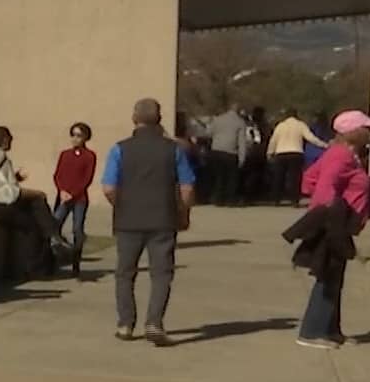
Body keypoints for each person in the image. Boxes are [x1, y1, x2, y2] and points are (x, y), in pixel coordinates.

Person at [103, 98, 196, 346]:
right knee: (161, 273)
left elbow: (109, 187)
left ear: (134, 118)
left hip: (128, 220)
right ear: (160, 119)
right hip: (163, 219)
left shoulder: (119, 149)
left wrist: (121, 204)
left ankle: (125, 323)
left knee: (124, 273)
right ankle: (154, 321)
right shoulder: (174, 149)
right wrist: (183, 213)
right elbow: (187, 187)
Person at [287, 110, 370, 349]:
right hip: (333, 224)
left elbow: (309, 178)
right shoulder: (340, 156)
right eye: (365, 128)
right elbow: (325, 187)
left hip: (342, 224)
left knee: (335, 277)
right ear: (352, 132)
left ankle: (331, 330)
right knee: (327, 276)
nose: (369, 132)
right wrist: (329, 213)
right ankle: (312, 330)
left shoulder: (346, 154)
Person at [0, 126, 71, 277]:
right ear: (5, 139)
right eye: (10, 139)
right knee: (32, 222)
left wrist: (16, 178)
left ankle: (53, 238)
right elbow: (9, 194)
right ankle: (41, 258)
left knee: (35, 206)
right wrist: (36, 193)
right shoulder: (0, 157)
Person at [267, 109, 329, 206]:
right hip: (296, 153)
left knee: (279, 177)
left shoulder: (280, 126)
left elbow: (273, 140)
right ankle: (294, 199)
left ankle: (276, 199)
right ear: (296, 115)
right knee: (295, 178)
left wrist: (270, 152)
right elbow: (311, 138)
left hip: (281, 153)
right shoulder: (300, 125)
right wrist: (325, 145)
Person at [51, 122, 97, 251]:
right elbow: (57, 175)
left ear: (85, 138)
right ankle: (56, 250)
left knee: (77, 229)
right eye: (73, 135)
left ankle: (76, 258)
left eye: (79, 136)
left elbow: (87, 178)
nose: (75, 139)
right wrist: (62, 191)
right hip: (64, 197)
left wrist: (73, 193)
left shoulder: (89, 156)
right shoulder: (65, 154)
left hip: (79, 198)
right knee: (54, 223)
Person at [207, 104, 247, 206]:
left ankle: (217, 199)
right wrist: (242, 157)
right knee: (231, 178)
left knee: (219, 176)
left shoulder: (218, 119)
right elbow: (241, 141)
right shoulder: (240, 122)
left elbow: (208, 132)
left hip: (216, 151)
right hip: (231, 152)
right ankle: (230, 199)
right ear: (238, 110)